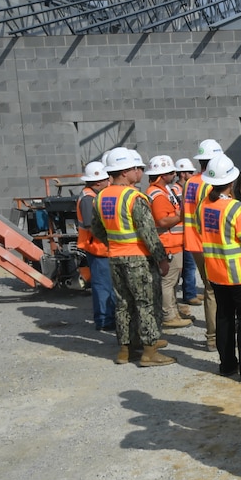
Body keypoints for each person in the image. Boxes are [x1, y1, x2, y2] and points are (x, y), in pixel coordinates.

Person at [91, 148, 175, 367]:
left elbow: (97, 229)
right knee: (147, 302)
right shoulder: (133, 197)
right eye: (136, 168)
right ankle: (149, 350)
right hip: (138, 259)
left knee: (123, 304)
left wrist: (114, 243)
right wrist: (162, 259)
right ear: (125, 172)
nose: (139, 171)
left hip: (115, 257)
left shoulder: (100, 197)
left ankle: (125, 349)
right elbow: (149, 233)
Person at [199, 155, 241, 382]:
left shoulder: (204, 205)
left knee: (224, 317)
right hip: (239, 273)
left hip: (215, 272)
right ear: (232, 182)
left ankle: (227, 364)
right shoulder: (237, 209)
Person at [183, 139, 223, 352]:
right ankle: (213, 337)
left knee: (211, 289)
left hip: (193, 242)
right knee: (214, 291)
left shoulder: (190, 182)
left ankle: (216, 334)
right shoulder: (210, 184)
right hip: (209, 243)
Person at [144, 155, 191, 329]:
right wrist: (181, 216)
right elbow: (163, 221)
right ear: (163, 175)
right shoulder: (158, 195)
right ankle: (168, 315)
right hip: (168, 244)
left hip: (172, 243)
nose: (174, 175)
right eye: (171, 172)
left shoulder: (162, 191)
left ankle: (172, 311)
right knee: (168, 282)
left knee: (172, 281)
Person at [77, 161, 115, 332]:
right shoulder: (88, 199)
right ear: (98, 181)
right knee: (102, 285)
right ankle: (104, 320)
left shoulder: (93, 195)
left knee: (106, 285)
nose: (109, 182)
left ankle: (107, 317)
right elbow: (91, 225)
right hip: (97, 248)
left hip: (100, 247)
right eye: (107, 179)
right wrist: (109, 239)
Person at [173, 158, 202, 306]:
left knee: (190, 266)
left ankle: (191, 291)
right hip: (183, 232)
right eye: (189, 172)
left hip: (188, 230)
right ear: (182, 173)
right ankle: (190, 294)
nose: (192, 174)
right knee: (189, 266)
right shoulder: (176, 190)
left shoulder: (187, 188)